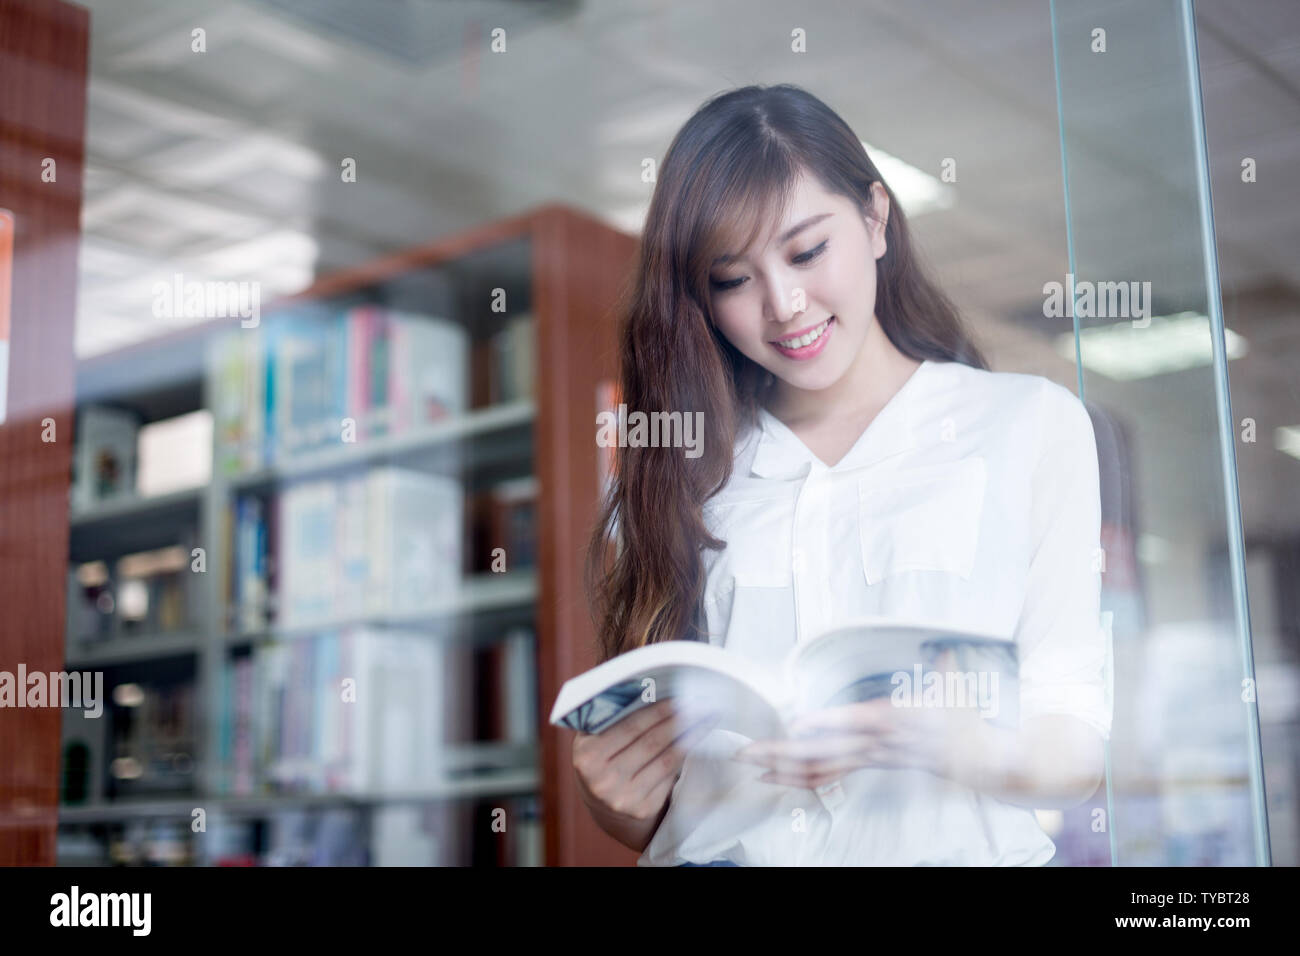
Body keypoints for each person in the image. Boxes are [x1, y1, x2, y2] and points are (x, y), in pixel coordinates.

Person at [572, 84, 1111, 866]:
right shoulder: (679, 473)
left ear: (875, 219)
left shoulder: (1027, 427)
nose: (785, 305)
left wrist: (962, 745)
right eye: (733, 278)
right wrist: (614, 803)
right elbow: (678, 800)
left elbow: (1074, 743)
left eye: (807, 251)